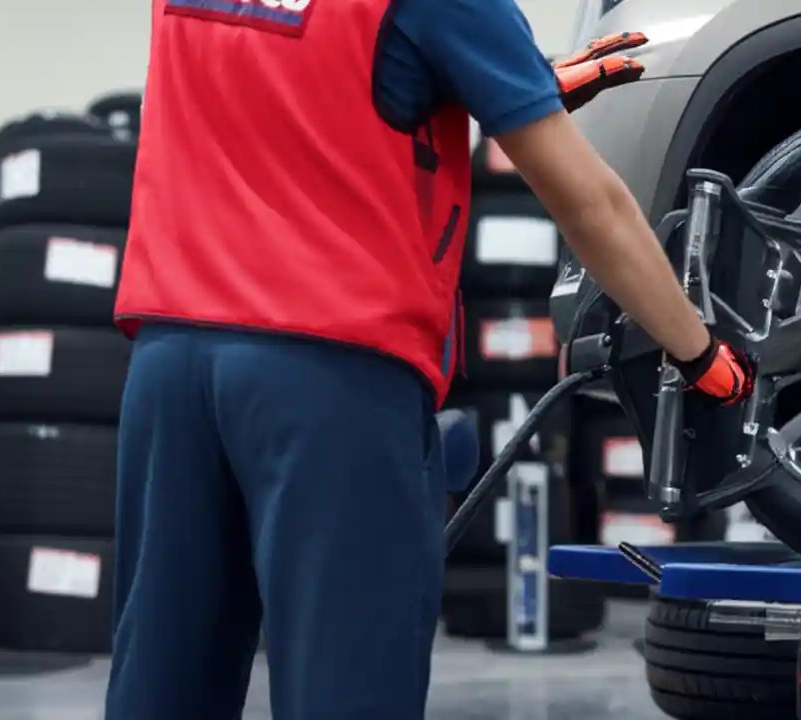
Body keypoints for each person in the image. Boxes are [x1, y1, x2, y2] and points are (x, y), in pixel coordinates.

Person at [104, 1, 755, 719]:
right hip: (331, 382)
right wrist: (700, 354)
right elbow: (592, 205)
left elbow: (296, 90)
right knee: (348, 692)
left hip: (169, 367)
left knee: (160, 688)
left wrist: (509, 86)